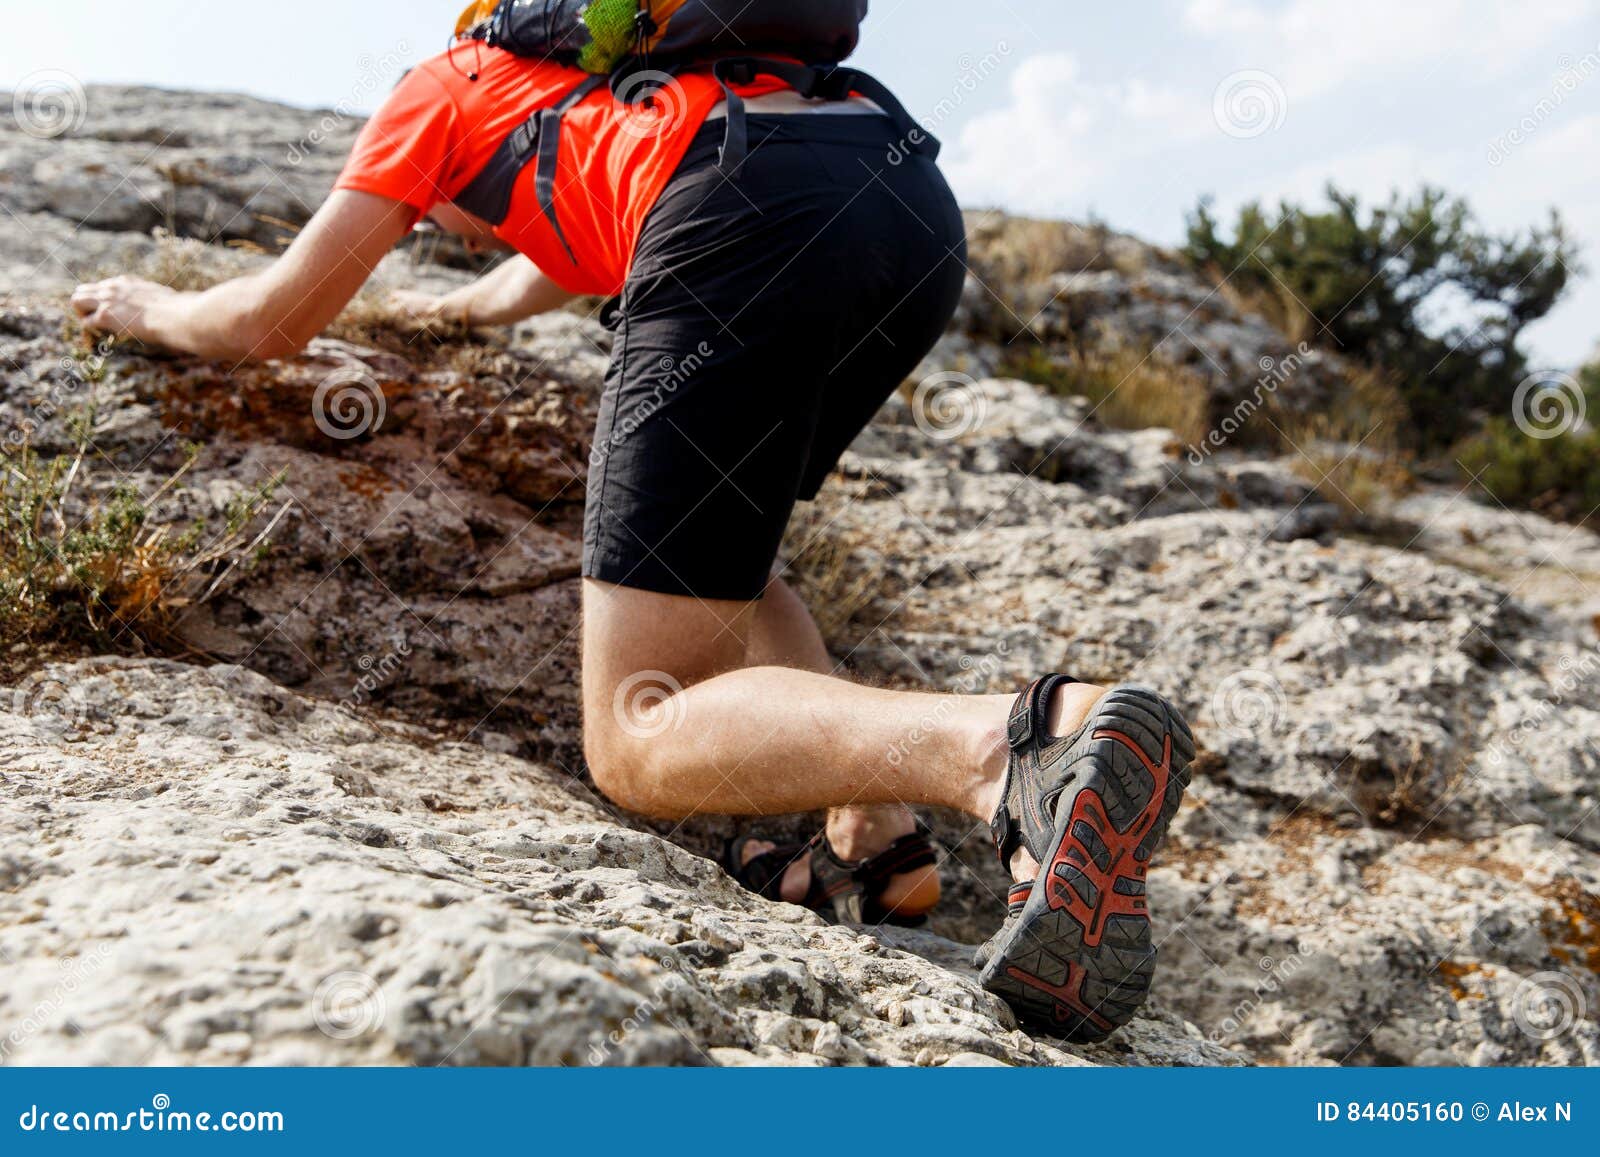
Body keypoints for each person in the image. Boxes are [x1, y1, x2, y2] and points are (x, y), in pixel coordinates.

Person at [71, 32, 1193, 1039]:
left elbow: (275, 316)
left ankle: (1019, 749)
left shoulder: (442, 85)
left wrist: (152, 308)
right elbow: (536, 269)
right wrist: (441, 315)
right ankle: (876, 843)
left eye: (435, 225)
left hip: (739, 215)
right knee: (726, 564)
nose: (446, 237)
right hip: (895, 197)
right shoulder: (621, 90)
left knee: (636, 729)